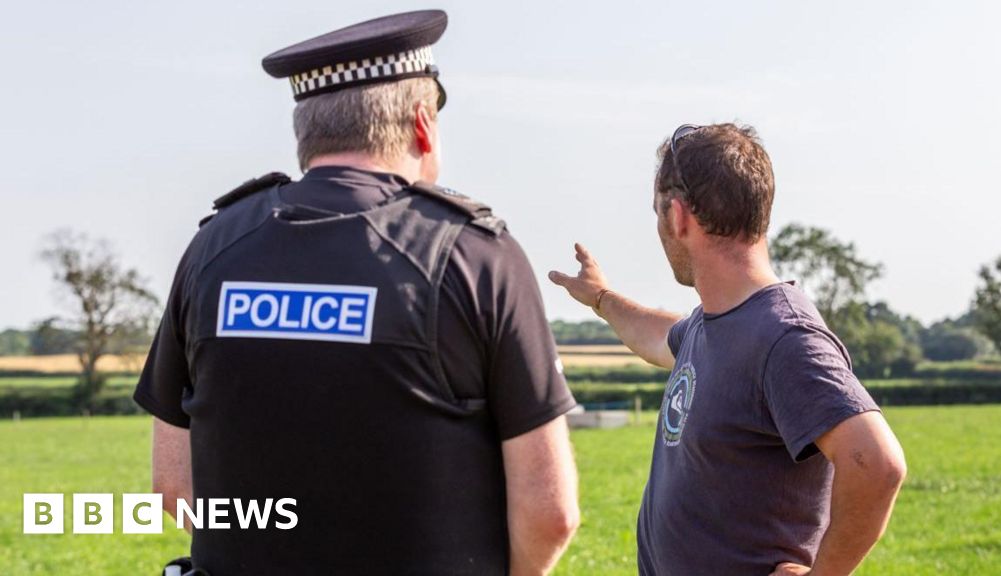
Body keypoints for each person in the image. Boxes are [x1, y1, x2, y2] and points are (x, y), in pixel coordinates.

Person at [135, 10, 579, 575]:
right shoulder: (474, 256)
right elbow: (550, 514)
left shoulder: (212, 249)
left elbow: (175, 488)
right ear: (423, 124)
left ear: (307, 135)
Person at [549, 123, 907, 575]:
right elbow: (660, 336)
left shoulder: (784, 336)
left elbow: (877, 464)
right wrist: (601, 298)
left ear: (678, 216)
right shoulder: (715, 322)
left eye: (657, 213)